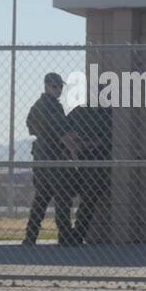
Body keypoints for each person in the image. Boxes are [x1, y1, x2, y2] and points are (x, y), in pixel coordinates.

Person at [22, 73, 75, 246]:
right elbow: (62, 134)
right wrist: (74, 154)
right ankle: (65, 235)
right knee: (62, 195)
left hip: (41, 157)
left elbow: (32, 127)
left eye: (60, 86)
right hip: (53, 157)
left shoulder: (37, 106)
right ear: (46, 86)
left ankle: (31, 236)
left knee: (42, 197)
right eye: (54, 86)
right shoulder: (51, 107)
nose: (58, 90)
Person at [66, 104, 112, 245]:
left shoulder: (107, 113)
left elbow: (109, 139)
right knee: (74, 196)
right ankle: (70, 233)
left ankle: (78, 233)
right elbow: (62, 130)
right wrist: (74, 146)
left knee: (89, 197)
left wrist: (87, 144)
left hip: (98, 163)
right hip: (80, 162)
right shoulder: (79, 112)